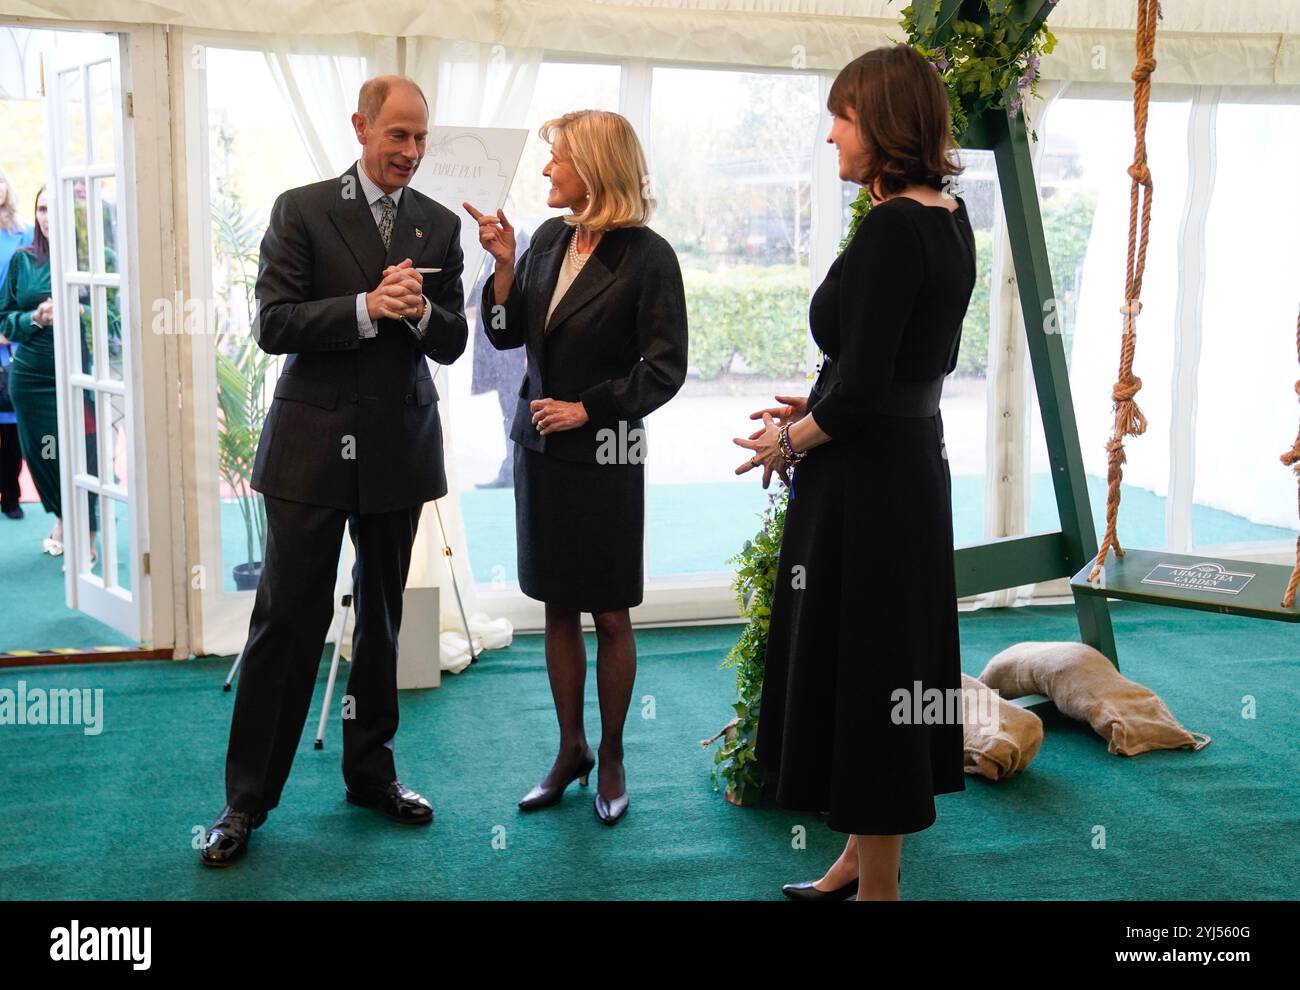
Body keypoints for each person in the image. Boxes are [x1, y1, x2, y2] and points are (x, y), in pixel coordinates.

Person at [200, 75, 468, 867]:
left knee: (381, 620)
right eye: (398, 137)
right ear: (360, 126)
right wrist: (365, 307)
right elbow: (274, 324)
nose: (412, 153)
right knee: (286, 623)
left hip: (400, 450)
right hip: (310, 454)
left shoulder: (440, 226)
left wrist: (419, 311)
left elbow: (451, 341)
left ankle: (371, 776)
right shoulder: (300, 208)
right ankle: (245, 800)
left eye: (422, 139)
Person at [733, 45, 976, 901]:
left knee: (869, 674)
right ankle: (859, 863)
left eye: (842, 115)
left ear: (883, 123)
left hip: (867, 490)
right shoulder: (949, 214)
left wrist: (789, 441)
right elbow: (911, 365)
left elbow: (869, 388)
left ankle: (879, 890)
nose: (831, 133)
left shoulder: (889, 227)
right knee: (884, 666)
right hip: (909, 473)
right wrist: (819, 401)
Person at [465, 109, 687, 826]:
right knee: (557, 605)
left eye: (556, 158)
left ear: (593, 166)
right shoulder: (547, 239)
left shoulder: (650, 257)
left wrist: (588, 409)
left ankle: (614, 755)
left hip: (606, 458)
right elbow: (505, 333)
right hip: (540, 455)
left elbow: (665, 369)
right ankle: (571, 751)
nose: (546, 170)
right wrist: (502, 266)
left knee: (609, 612)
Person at [0, 188, 63, 544]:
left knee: (80, 454)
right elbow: (6, 319)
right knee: (43, 452)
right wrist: (35, 320)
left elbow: (115, 319)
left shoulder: (96, 259)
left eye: (54, 209)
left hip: (79, 375)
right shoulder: (24, 260)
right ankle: (62, 517)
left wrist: (79, 314)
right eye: (41, 209)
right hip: (31, 378)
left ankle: (81, 522)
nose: (47, 217)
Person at [467, 199, 530, 489]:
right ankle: (511, 464)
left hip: (519, 356)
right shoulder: (490, 250)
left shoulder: (529, 245)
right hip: (497, 350)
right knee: (508, 409)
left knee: (517, 409)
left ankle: (514, 466)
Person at [0, 167, 32, 520]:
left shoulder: (22, 233)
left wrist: (11, 328)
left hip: (12, 332)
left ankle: (11, 494)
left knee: (9, 425)